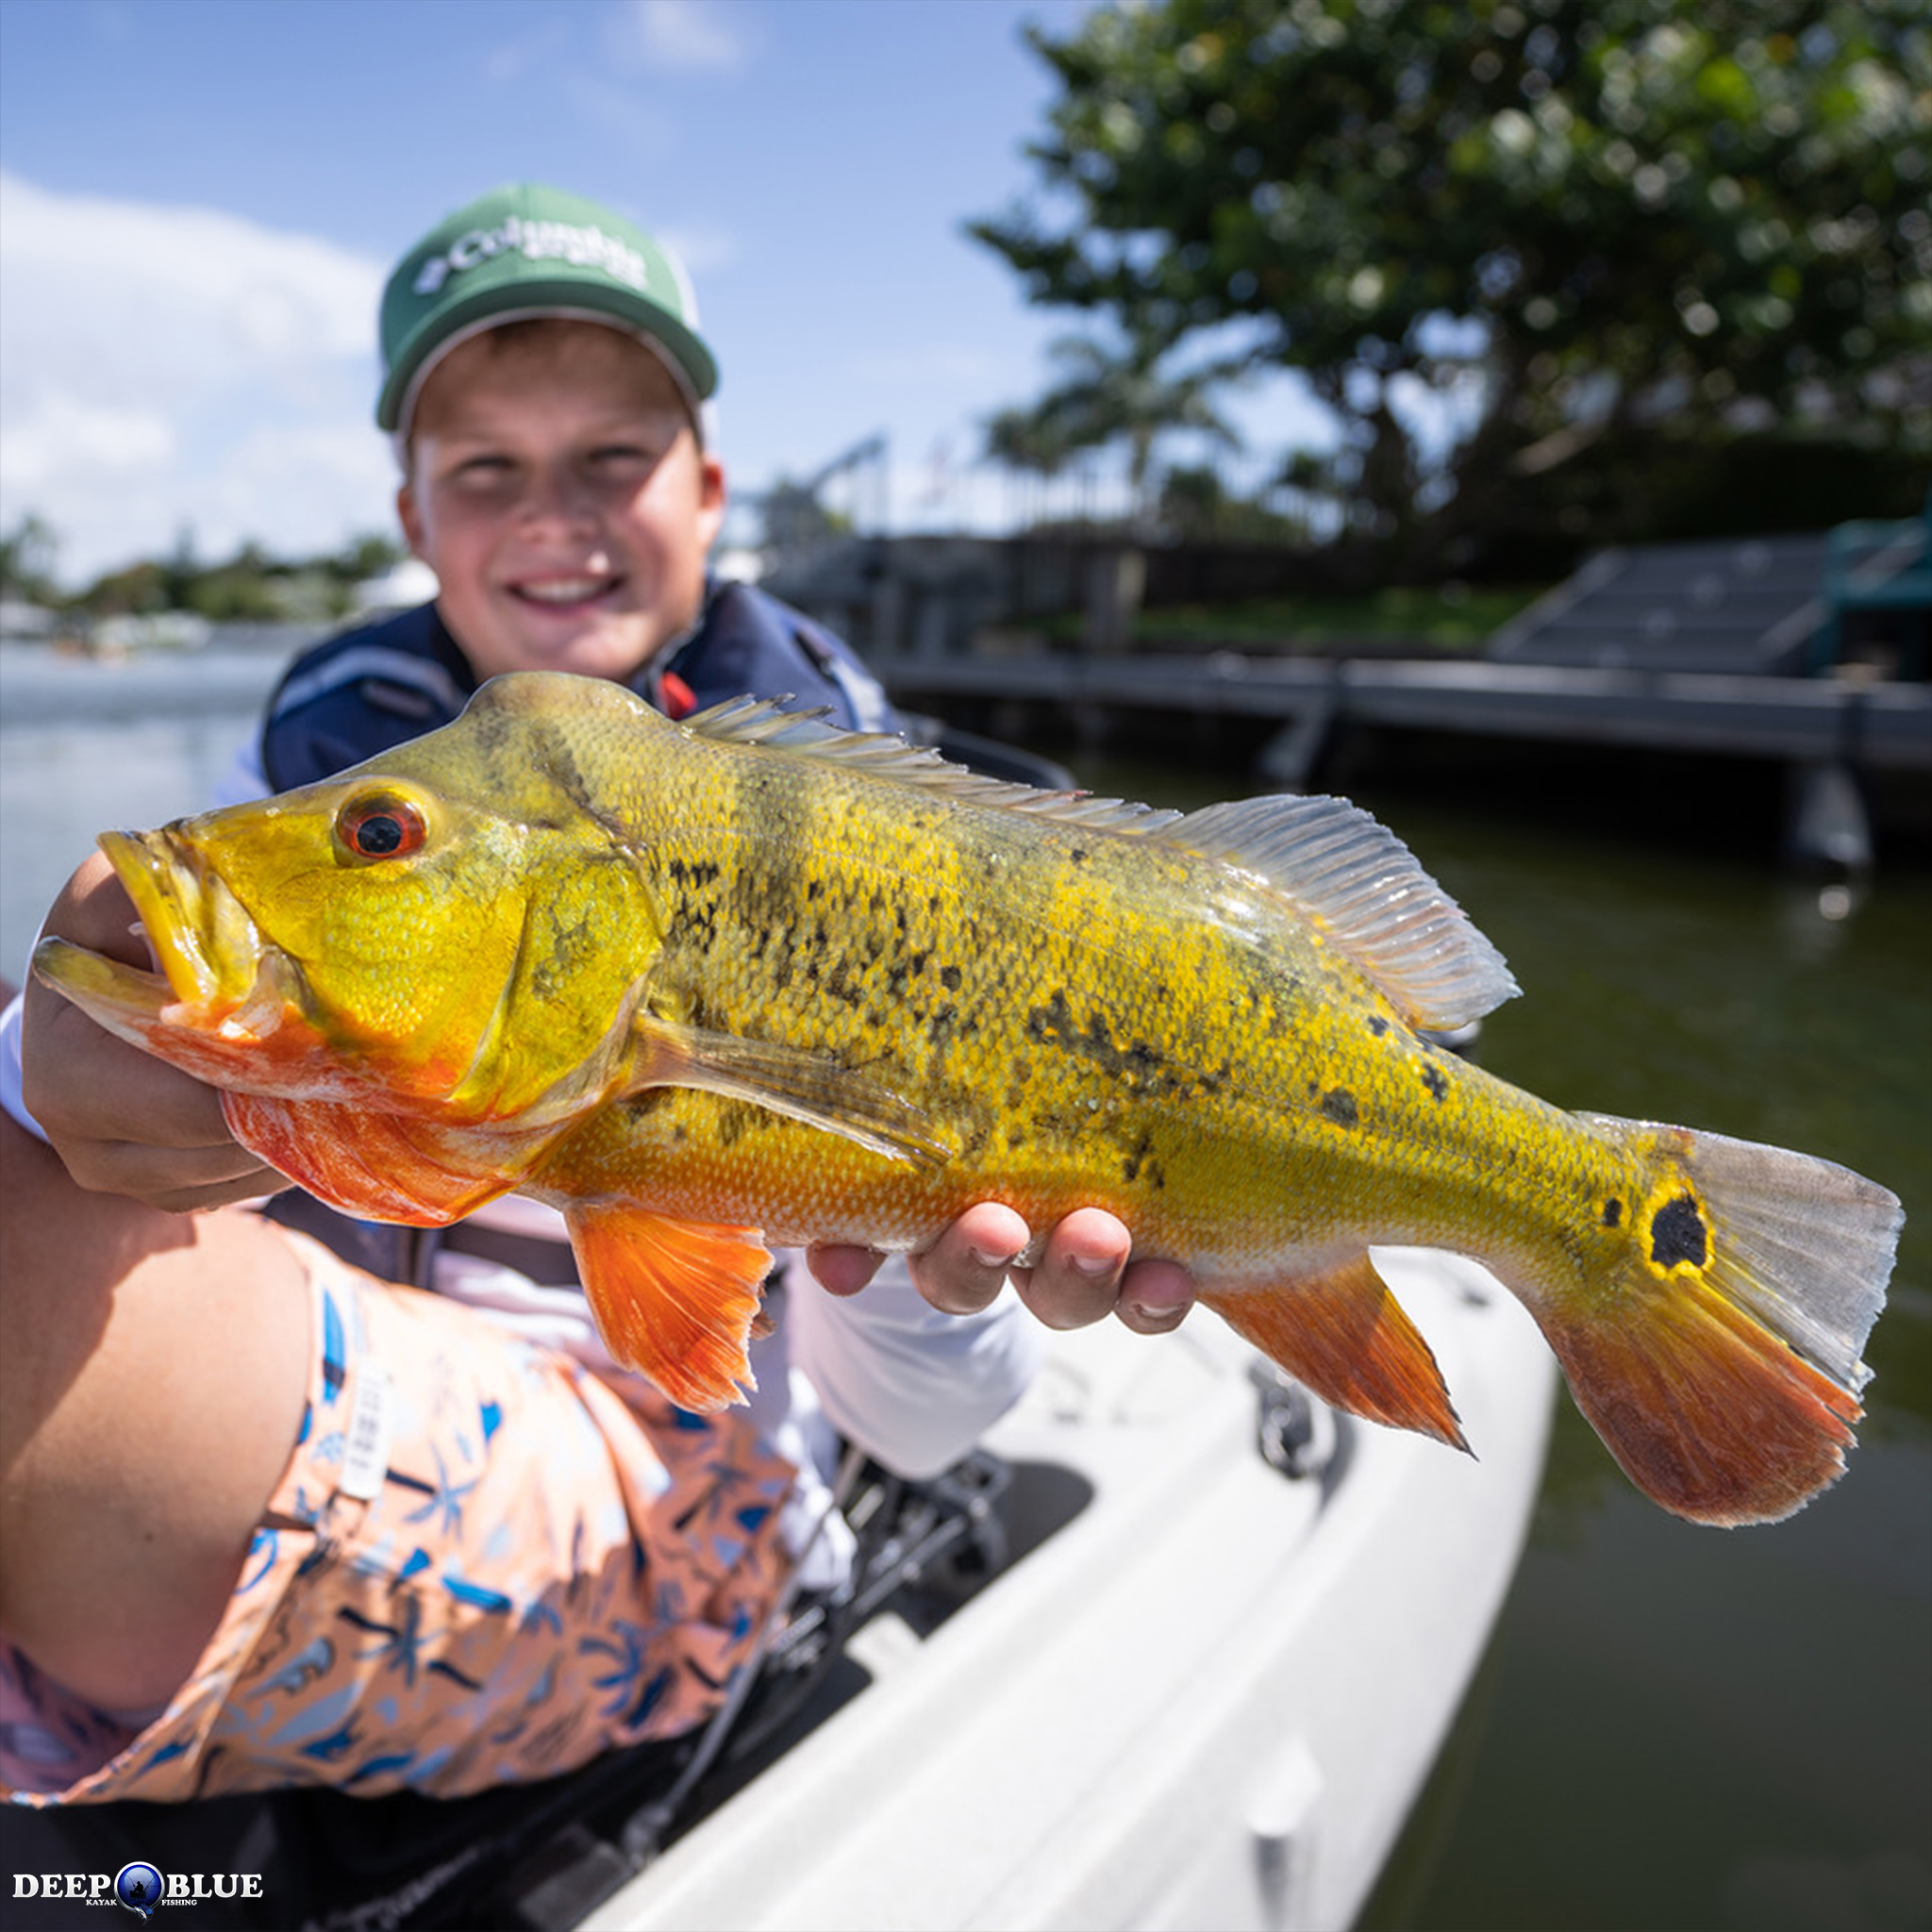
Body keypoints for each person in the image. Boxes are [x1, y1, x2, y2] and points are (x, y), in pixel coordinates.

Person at [0, 184, 1195, 1807]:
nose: (552, 514)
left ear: (709, 494)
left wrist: (907, 1236)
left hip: (672, 1508)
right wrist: (38, 1072)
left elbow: (921, 1435)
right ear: (415, 520)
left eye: (611, 459)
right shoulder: (315, 770)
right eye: (486, 469)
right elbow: (116, 1005)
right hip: (301, 1373)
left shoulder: (885, 829)